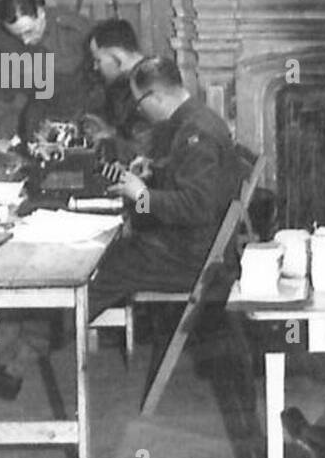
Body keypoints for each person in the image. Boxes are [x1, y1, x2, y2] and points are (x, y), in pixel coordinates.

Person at [89, 57, 254, 315]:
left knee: (107, 262)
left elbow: (198, 206)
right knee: (117, 252)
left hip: (197, 259)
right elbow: (192, 180)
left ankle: (64, 336)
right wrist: (154, 171)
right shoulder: (196, 118)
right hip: (198, 245)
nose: (139, 110)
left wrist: (142, 195)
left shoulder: (195, 131)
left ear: (155, 97)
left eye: (139, 102)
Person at [0, 0, 91, 143]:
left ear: (40, 14)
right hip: (42, 120)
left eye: (29, 31)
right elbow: (1, 89)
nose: (25, 41)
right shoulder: (7, 44)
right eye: (18, 35)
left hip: (83, 115)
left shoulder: (74, 30)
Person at [82, 18, 151, 161]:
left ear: (117, 55)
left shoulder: (149, 85)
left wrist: (109, 138)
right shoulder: (121, 85)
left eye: (98, 60)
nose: (95, 67)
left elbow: (146, 150)